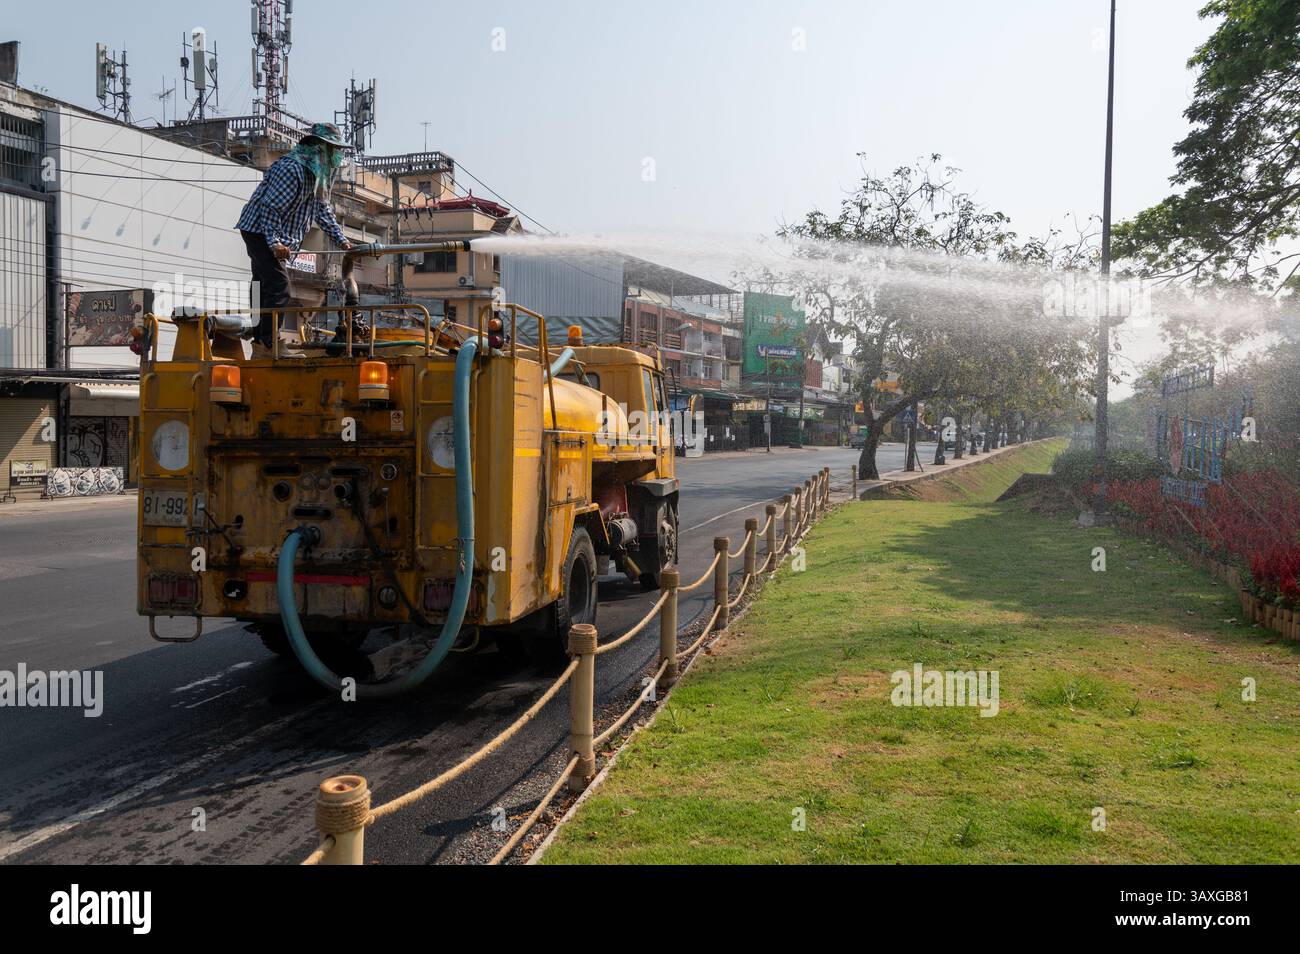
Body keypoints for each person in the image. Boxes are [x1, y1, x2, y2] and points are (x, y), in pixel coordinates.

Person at [235, 122, 353, 357]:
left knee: (262, 285)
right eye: (330, 149)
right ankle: (268, 343)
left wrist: (341, 240)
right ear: (317, 148)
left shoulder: (317, 176)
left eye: (336, 150)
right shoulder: (292, 168)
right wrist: (274, 243)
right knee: (279, 287)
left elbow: (321, 209)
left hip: (276, 234)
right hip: (260, 230)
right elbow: (271, 208)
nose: (334, 155)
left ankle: (261, 342)